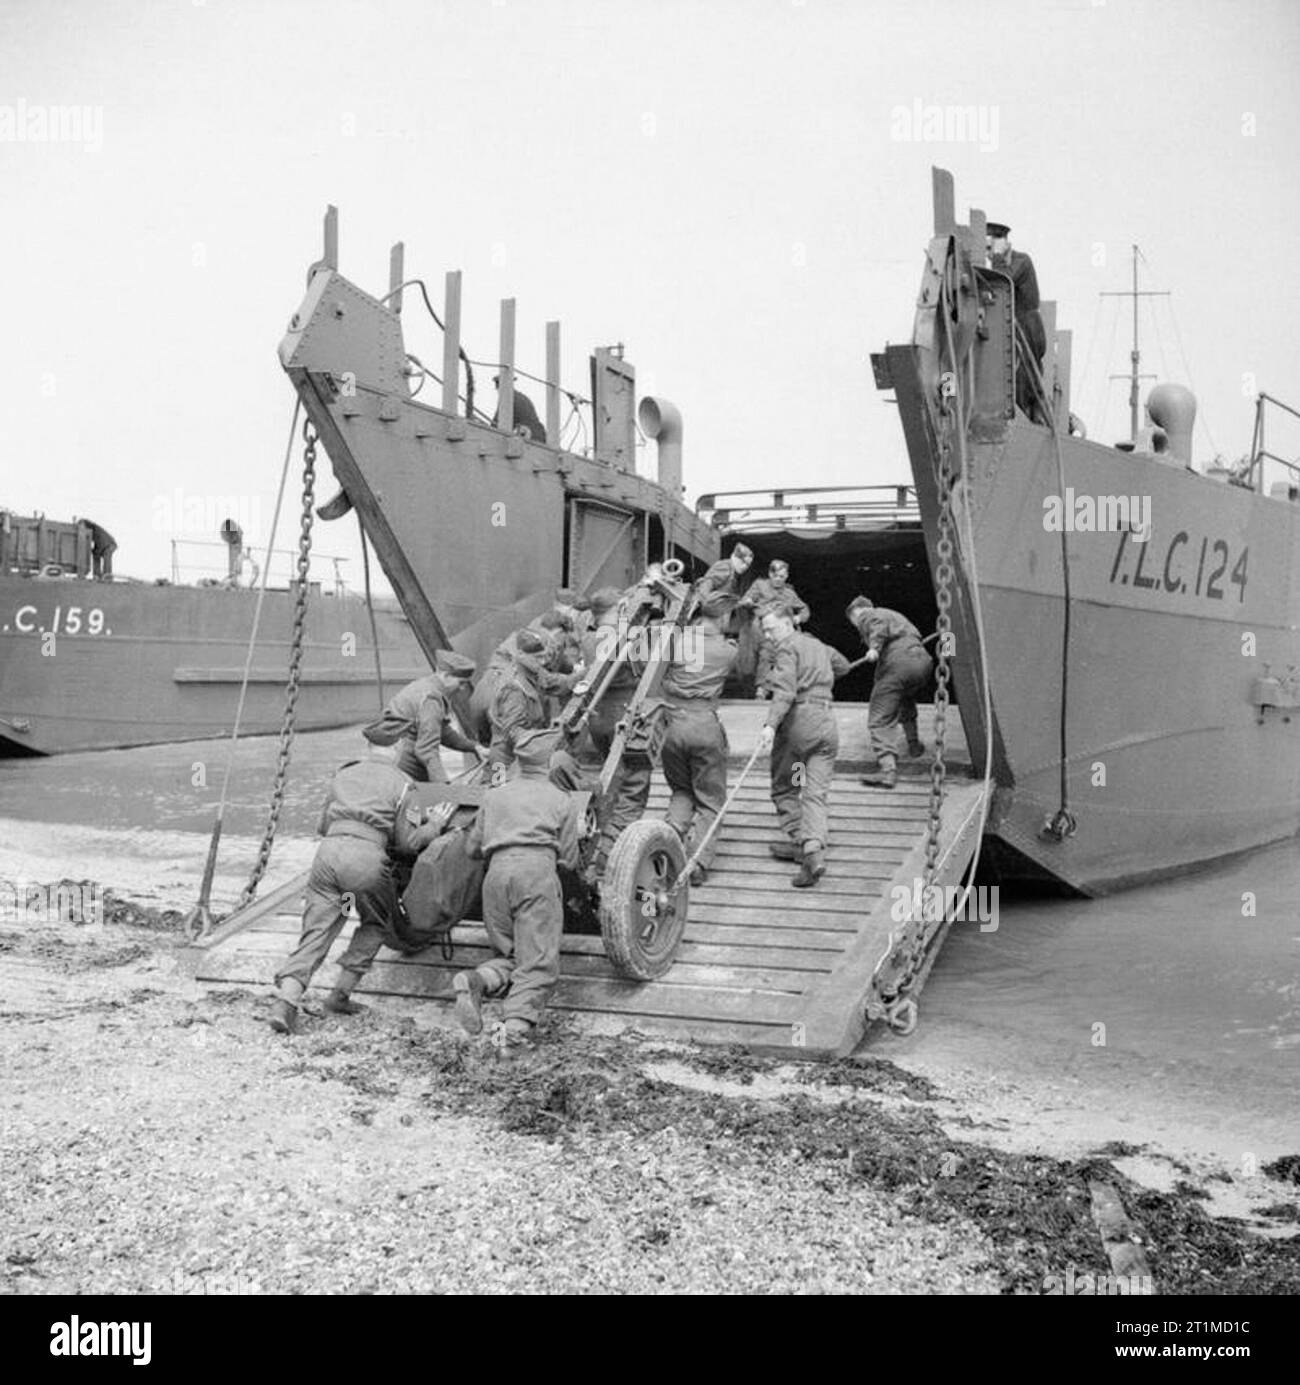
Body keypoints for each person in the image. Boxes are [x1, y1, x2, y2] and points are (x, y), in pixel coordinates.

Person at [269, 739, 444, 1035]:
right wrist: (434, 825)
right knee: (375, 923)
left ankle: (286, 1002)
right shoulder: (405, 784)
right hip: (364, 864)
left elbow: (322, 826)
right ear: (400, 746)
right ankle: (340, 996)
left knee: (319, 928)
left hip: (327, 857)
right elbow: (408, 842)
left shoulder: (343, 774)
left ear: (369, 744)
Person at [451, 727, 584, 1056]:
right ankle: (510, 1037)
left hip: (495, 879)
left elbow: (471, 849)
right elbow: (569, 859)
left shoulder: (495, 795)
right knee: (537, 962)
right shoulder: (560, 799)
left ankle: (477, 980)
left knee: (510, 955)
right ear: (551, 762)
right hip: (535, 876)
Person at [757, 607, 848, 888]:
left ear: (787, 623)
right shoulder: (819, 645)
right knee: (814, 793)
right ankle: (812, 853)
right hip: (826, 727)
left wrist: (770, 725)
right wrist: (819, 677)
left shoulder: (787, 649)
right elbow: (843, 666)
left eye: (771, 628)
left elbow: (785, 691)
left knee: (787, 787)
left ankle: (798, 836)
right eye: (765, 630)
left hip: (799, 726)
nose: (768, 635)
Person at [659, 593, 738, 884]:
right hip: (705, 726)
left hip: (672, 725)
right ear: (724, 618)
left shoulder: (675, 641)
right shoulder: (727, 650)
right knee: (709, 799)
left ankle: (666, 850)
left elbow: (658, 673)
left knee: (681, 791)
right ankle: (697, 864)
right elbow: (739, 673)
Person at [580, 585, 651, 873]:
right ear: (617, 609)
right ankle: (611, 854)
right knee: (633, 783)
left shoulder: (587, 638)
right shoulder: (628, 636)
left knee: (611, 777)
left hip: (598, 718)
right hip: (624, 715)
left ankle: (600, 830)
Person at [847, 596, 932, 790]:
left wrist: (874, 648)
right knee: (905, 698)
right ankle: (914, 746)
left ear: (857, 613)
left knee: (879, 718)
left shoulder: (870, 615)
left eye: (854, 621)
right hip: (922, 661)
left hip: (898, 663)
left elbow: (876, 625)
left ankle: (887, 772)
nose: (857, 625)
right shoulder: (895, 617)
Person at [363, 651, 485, 782]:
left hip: (396, 756)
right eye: (461, 682)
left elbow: (441, 730)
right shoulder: (432, 699)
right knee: (424, 799)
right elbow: (426, 750)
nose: (462, 688)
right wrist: (443, 787)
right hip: (404, 763)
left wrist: (473, 747)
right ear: (446, 675)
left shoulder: (426, 686)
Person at [986, 221, 1047, 421]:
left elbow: (1003, 284)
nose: (987, 254)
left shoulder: (1021, 261)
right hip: (1012, 328)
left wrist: (997, 257)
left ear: (1002, 243)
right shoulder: (1001, 265)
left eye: (989, 248)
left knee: (1023, 378)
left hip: (1027, 328)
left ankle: (1030, 418)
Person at [486, 629, 551, 775]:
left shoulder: (531, 673)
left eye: (544, 656)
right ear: (520, 654)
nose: (543, 662)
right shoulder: (513, 688)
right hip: (505, 760)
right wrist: (543, 744)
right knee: (498, 793)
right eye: (538, 657)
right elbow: (513, 730)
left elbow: (554, 682)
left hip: (524, 754)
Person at [742, 559, 810, 693]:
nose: (778, 579)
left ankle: (788, 688)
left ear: (787, 576)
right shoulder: (760, 585)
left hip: (784, 630)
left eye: (782, 577)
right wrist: (749, 601)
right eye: (775, 576)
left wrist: (798, 618)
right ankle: (762, 688)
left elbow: (804, 609)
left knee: (792, 654)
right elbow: (745, 600)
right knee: (766, 652)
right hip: (763, 627)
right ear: (769, 574)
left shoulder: (789, 593)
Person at [694, 543, 754, 634]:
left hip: (717, 625)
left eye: (748, 565)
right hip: (708, 623)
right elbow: (704, 590)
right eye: (743, 562)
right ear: (736, 558)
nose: (745, 567)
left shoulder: (733, 575)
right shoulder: (724, 567)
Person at [491, 376, 547, 443]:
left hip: (527, 436)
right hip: (538, 435)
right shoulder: (521, 397)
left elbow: (497, 422)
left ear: (499, 387)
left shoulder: (507, 398)